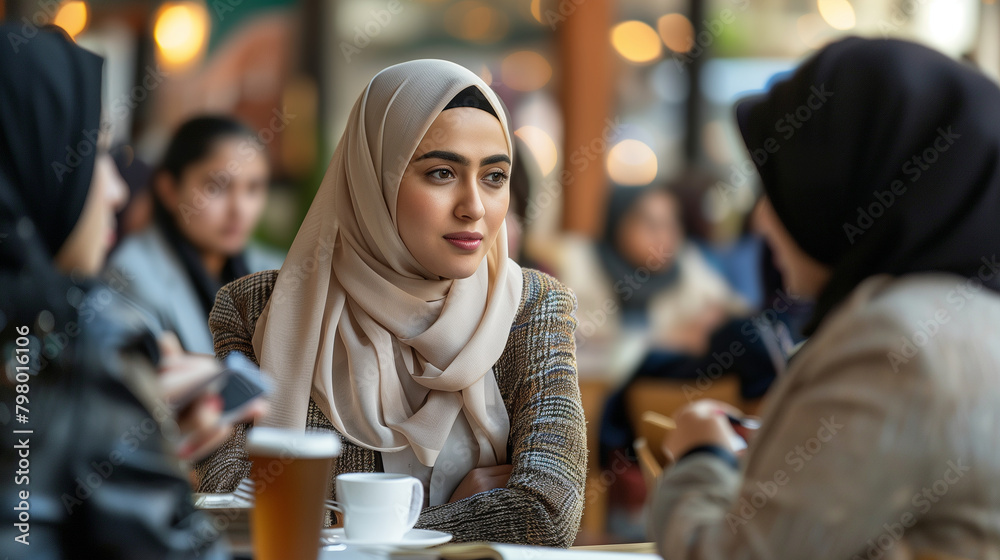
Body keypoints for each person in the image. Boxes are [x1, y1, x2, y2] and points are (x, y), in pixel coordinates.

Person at [195, 60, 587, 547]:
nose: (474, 207)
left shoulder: (533, 306)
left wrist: (349, 533)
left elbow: (547, 511)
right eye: (442, 173)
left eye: (494, 176)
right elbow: (234, 501)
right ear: (372, 180)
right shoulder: (257, 307)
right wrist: (445, 522)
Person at [647, 37, 1000, 558]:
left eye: (778, 188)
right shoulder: (971, 319)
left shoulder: (895, 342)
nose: (762, 222)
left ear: (845, 184)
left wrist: (702, 460)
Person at [0, 25, 263, 559]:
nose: (119, 190)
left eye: (254, 187)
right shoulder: (85, 332)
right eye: (96, 154)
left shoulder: (264, 272)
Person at [105, 116, 285, 355]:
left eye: (253, 188)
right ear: (169, 189)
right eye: (217, 187)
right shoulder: (131, 275)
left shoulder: (277, 271)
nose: (239, 209)